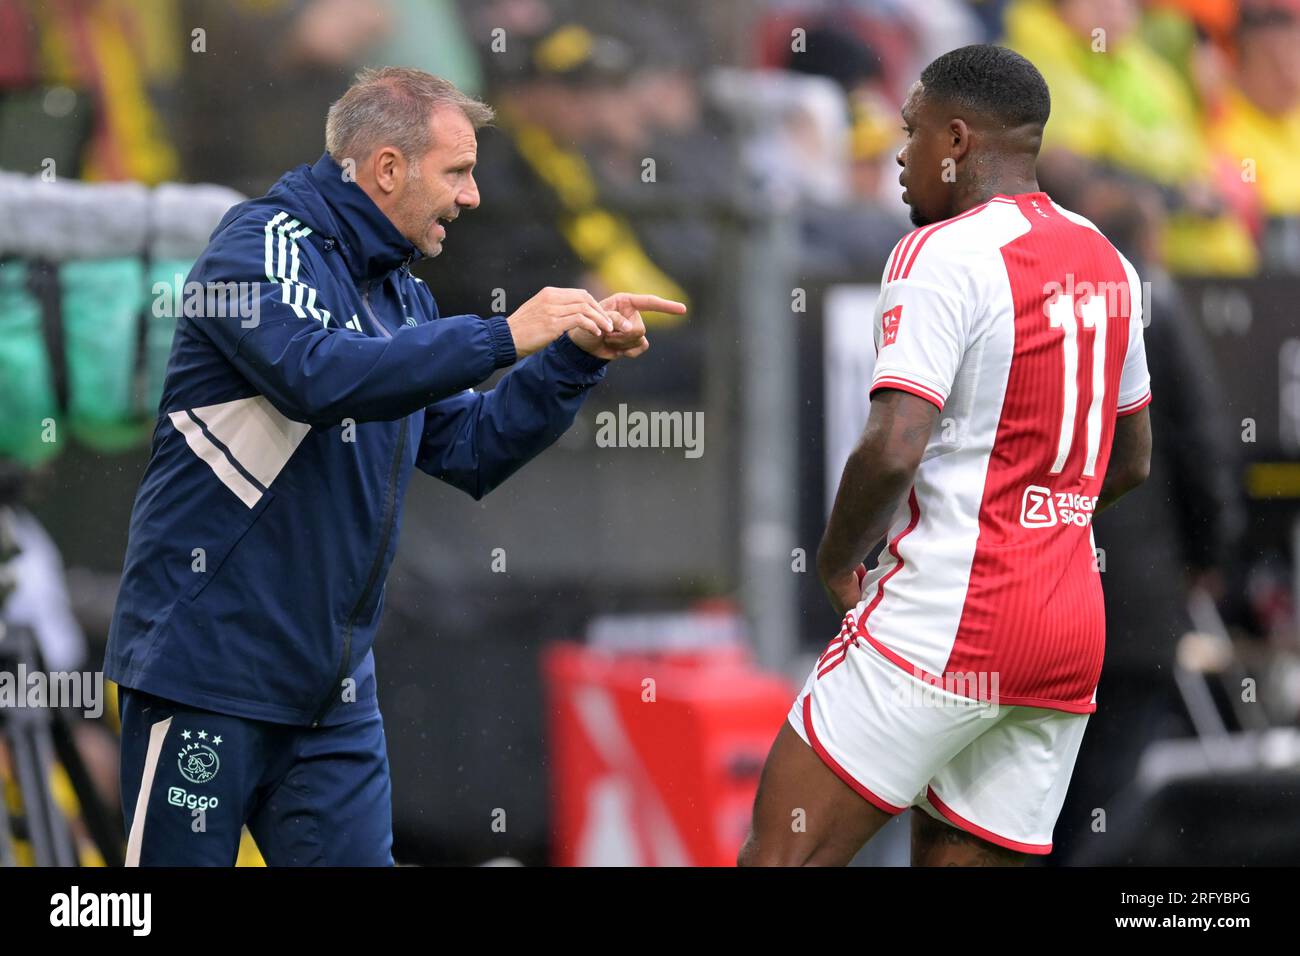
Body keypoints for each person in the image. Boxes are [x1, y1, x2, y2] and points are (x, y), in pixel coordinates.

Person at [103, 66, 684, 866]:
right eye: (457, 171)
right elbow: (314, 373)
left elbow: (472, 446)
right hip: (207, 675)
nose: (471, 196)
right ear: (385, 168)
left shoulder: (402, 297)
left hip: (332, 695)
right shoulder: (259, 244)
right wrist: (501, 336)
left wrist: (572, 360)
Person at [739, 44, 1152, 867]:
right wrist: (1041, 520)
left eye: (912, 130)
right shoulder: (1107, 258)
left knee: (779, 857)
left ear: (956, 140)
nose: (901, 155)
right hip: (1065, 635)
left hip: (945, 617)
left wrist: (837, 559)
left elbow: (894, 448)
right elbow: (1131, 457)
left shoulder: (940, 252)